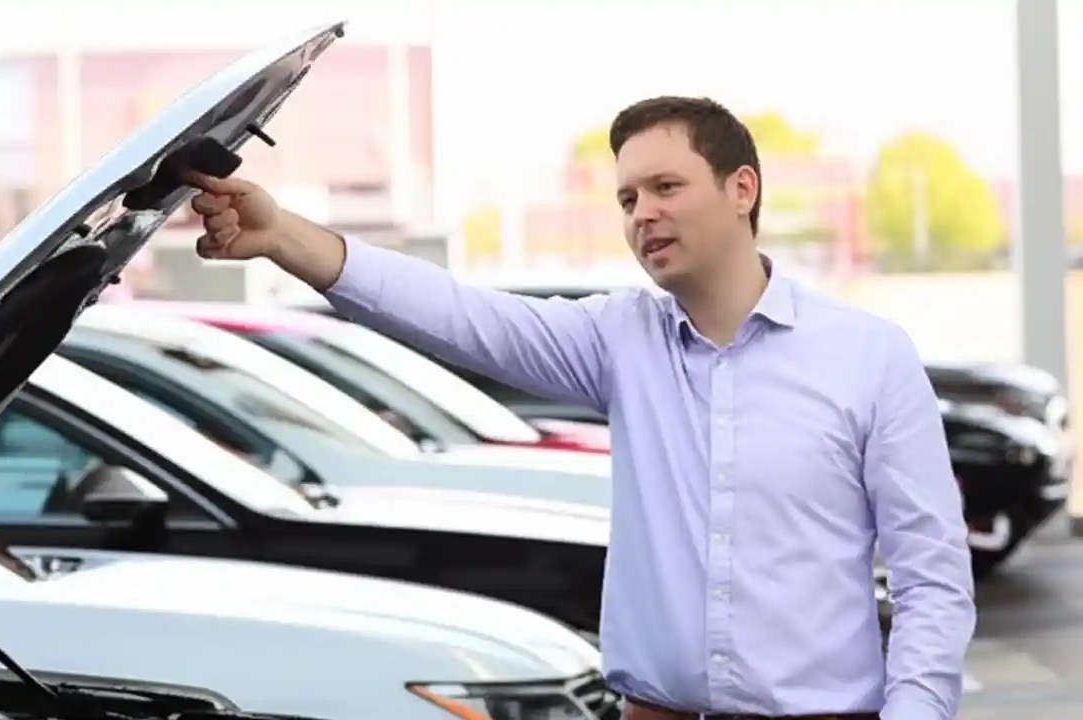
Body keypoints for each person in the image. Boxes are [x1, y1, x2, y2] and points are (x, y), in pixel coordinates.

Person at [181, 96, 976, 720]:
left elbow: (931, 575)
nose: (642, 215)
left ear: (743, 189)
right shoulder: (618, 339)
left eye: (667, 187)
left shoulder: (868, 355)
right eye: (628, 197)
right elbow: (458, 314)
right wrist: (281, 234)